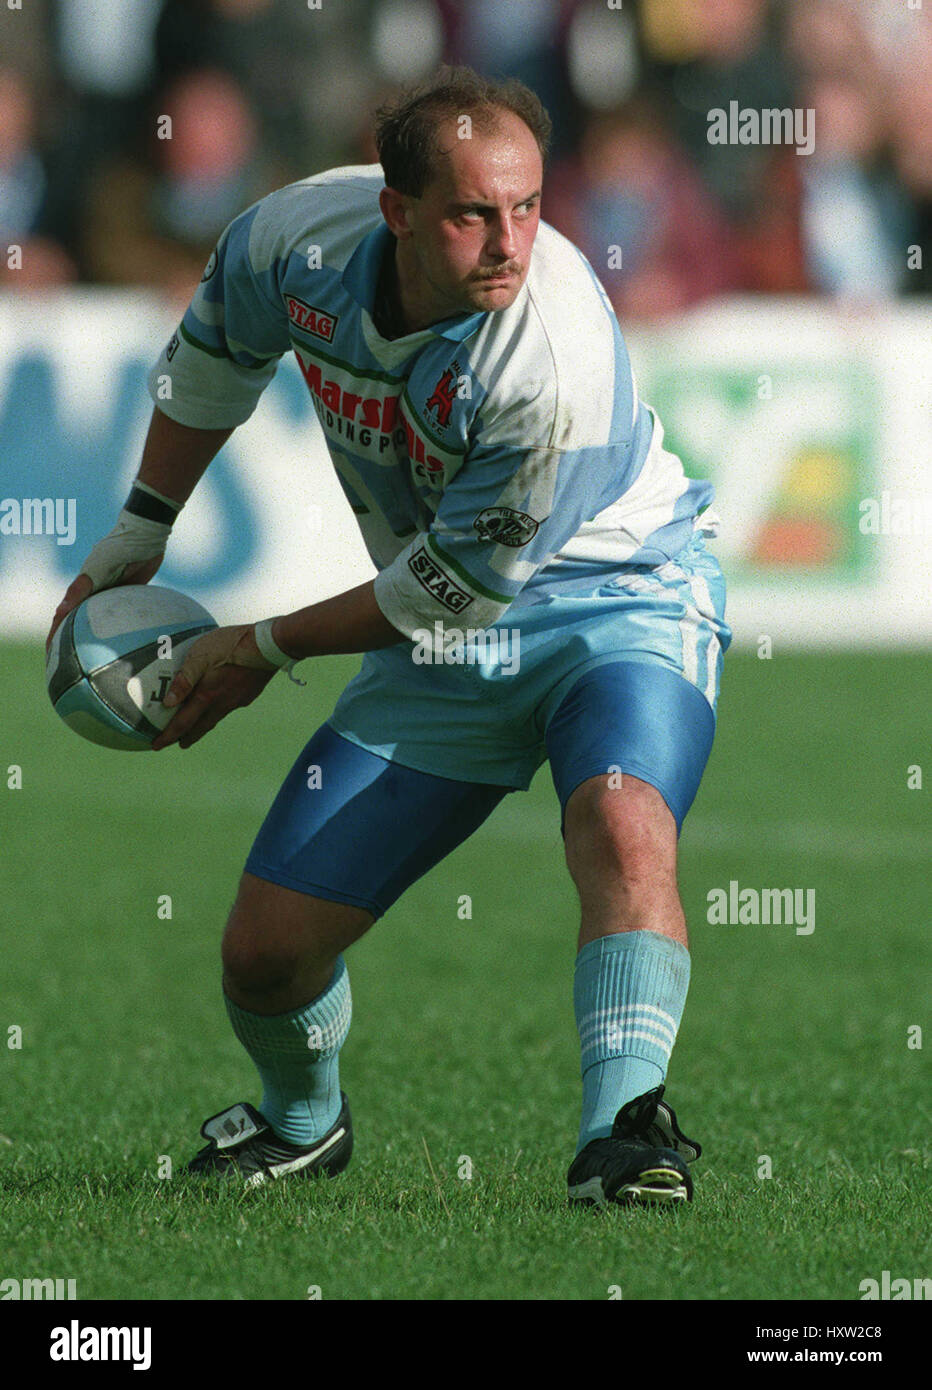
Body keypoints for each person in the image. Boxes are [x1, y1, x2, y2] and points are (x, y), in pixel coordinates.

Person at [47, 66, 730, 1207]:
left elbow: (439, 592)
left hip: (619, 597)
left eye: (527, 206)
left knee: (619, 817)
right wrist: (139, 530)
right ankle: (302, 1122)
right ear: (396, 210)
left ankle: (623, 1130)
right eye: (472, 213)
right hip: (444, 633)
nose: (509, 241)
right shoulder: (289, 243)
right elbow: (214, 357)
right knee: (263, 956)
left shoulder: (545, 361)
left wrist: (255, 648)